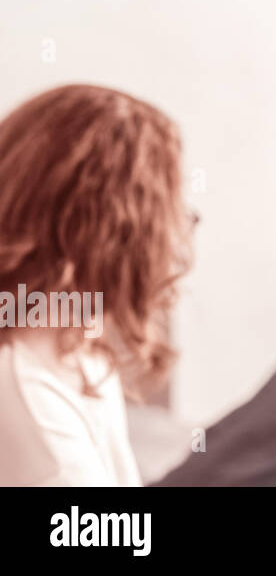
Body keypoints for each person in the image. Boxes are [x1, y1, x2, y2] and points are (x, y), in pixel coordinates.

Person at [0, 84, 195, 486]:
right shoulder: (40, 421)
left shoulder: (77, 345)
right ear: (115, 232)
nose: (183, 226)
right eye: (169, 210)